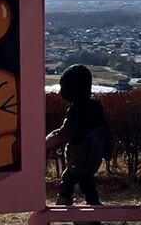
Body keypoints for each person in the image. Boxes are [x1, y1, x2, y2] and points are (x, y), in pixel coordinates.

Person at [45, 64, 107, 205]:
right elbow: (105, 129)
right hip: (94, 155)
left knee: (70, 179)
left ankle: (64, 205)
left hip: (81, 157)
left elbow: (63, 133)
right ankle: (92, 206)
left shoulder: (77, 111)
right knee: (86, 182)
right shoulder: (95, 106)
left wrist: (44, 145)